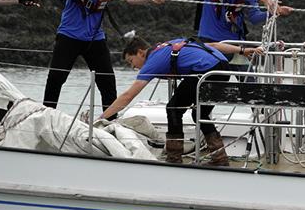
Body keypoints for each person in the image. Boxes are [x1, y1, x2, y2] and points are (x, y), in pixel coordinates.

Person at [42, 0, 166, 114]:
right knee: (56, 78)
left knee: (107, 81)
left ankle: (109, 121)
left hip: (94, 38)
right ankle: (46, 115)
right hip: (69, 35)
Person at [100, 35, 263, 165]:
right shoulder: (169, 45)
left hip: (206, 71)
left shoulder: (153, 61)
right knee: (201, 113)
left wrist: (103, 118)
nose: (133, 67)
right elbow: (213, 46)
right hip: (222, 68)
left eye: (131, 61)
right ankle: (219, 158)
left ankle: (174, 158)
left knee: (173, 109)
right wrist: (241, 50)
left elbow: (128, 96)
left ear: (141, 52)